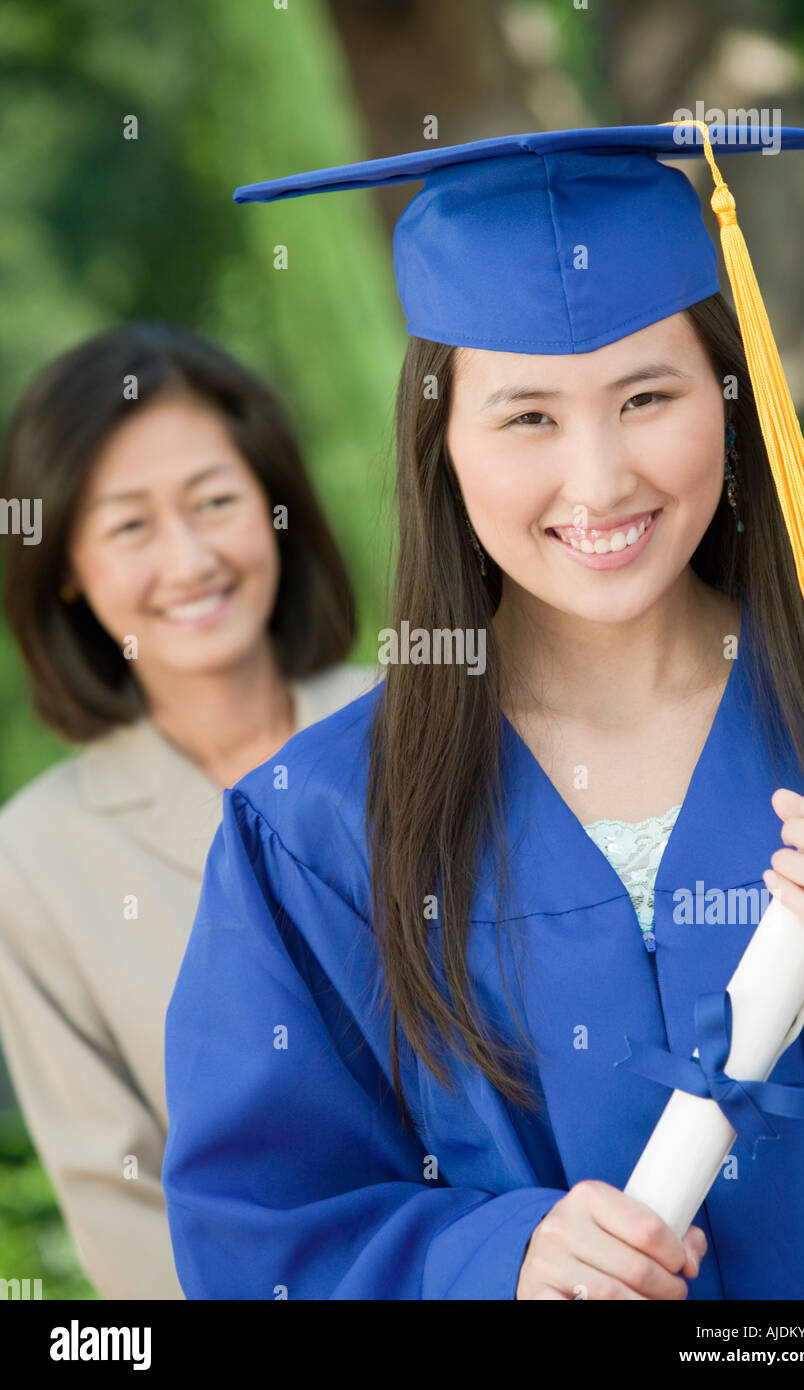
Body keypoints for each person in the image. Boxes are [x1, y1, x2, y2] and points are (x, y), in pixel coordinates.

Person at [162, 123, 804, 1300]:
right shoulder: (322, 827)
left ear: (733, 402)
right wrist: (492, 1265)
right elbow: (258, 1239)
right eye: (527, 416)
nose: (599, 481)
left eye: (648, 396)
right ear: (441, 444)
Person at [0, 324, 380, 1299]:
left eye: (216, 501)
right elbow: (119, 1202)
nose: (190, 556)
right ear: (70, 568)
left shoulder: (423, 724)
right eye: (129, 525)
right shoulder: (36, 859)